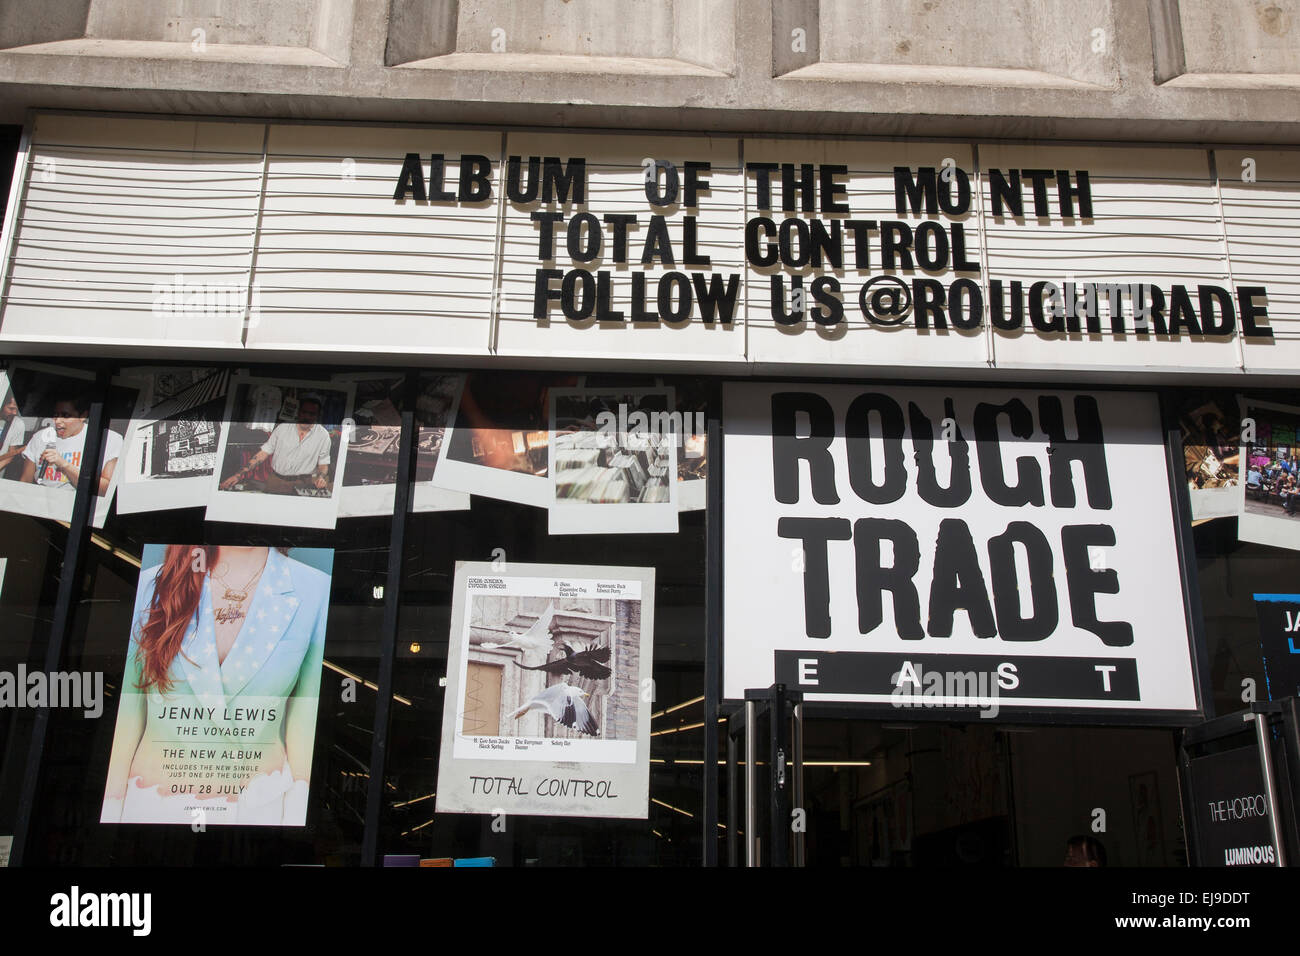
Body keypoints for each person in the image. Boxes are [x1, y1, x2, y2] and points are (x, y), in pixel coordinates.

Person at [100, 545, 330, 825]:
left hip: (259, 811)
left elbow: (305, 715)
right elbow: (128, 711)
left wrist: (295, 814)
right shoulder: (154, 583)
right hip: (151, 806)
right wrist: (111, 810)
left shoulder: (314, 589)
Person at [220, 394, 332, 494]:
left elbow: (323, 464)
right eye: (304, 412)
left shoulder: (323, 435)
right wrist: (239, 474)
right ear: (299, 412)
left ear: (318, 415)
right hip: (275, 481)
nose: (307, 417)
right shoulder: (282, 428)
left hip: (302, 484)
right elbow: (263, 453)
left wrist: (321, 477)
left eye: (312, 414)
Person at [18, 392, 122, 494]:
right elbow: (25, 481)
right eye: (56, 415)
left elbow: (106, 489)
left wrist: (64, 464)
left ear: (83, 416)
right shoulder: (41, 437)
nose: (58, 421)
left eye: (66, 415)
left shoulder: (109, 439)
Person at [0, 388, 26, 476]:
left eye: (17, 409)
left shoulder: (18, 424)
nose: (14, 412)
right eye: (11, 408)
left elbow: (10, 455)